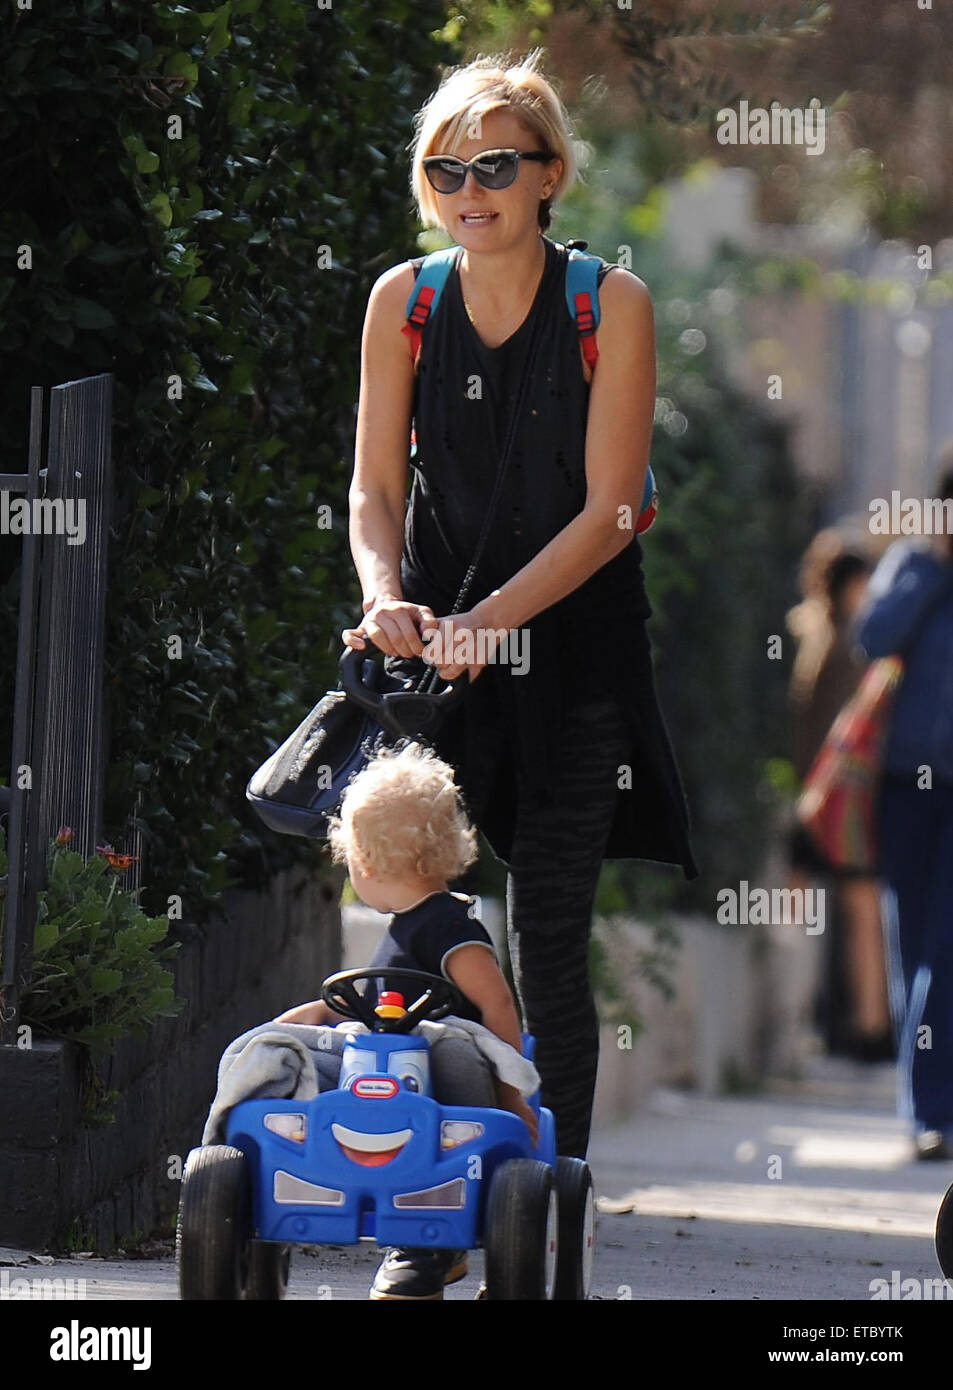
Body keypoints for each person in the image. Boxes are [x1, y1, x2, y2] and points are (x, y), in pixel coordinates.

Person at [342, 49, 696, 1162]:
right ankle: (431, 1206)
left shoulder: (608, 304)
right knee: (419, 930)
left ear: (549, 174)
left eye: (495, 164)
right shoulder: (402, 302)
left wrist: (486, 625)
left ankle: (550, 1198)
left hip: (576, 656)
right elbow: (371, 488)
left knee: (544, 937)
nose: (468, 190)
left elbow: (609, 515)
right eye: (443, 171)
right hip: (439, 656)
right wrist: (385, 596)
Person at [276, 739, 539, 1299]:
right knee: (314, 1052)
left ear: (364, 862)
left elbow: (496, 1006)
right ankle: (295, 1165)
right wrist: (291, 1027)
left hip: (444, 1090)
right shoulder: (397, 933)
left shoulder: (451, 929)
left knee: (452, 1049)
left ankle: (433, 1238)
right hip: (378, 1080)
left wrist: (513, 1096)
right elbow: (352, 1004)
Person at [853, 455, 953, 1159]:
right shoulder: (915, 566)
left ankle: (937, 1109)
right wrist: (934, 566)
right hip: (907, 786)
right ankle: (924, 1109)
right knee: (914, 946)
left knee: (945, 946)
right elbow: (871, 637)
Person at [787, 544, 892, 1061]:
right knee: (861, 909)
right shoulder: (853, 648)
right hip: (847, 796)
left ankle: (851, 1021)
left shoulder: (819, 642)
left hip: (823, 796)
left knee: (849, 911)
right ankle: (868, 1025)